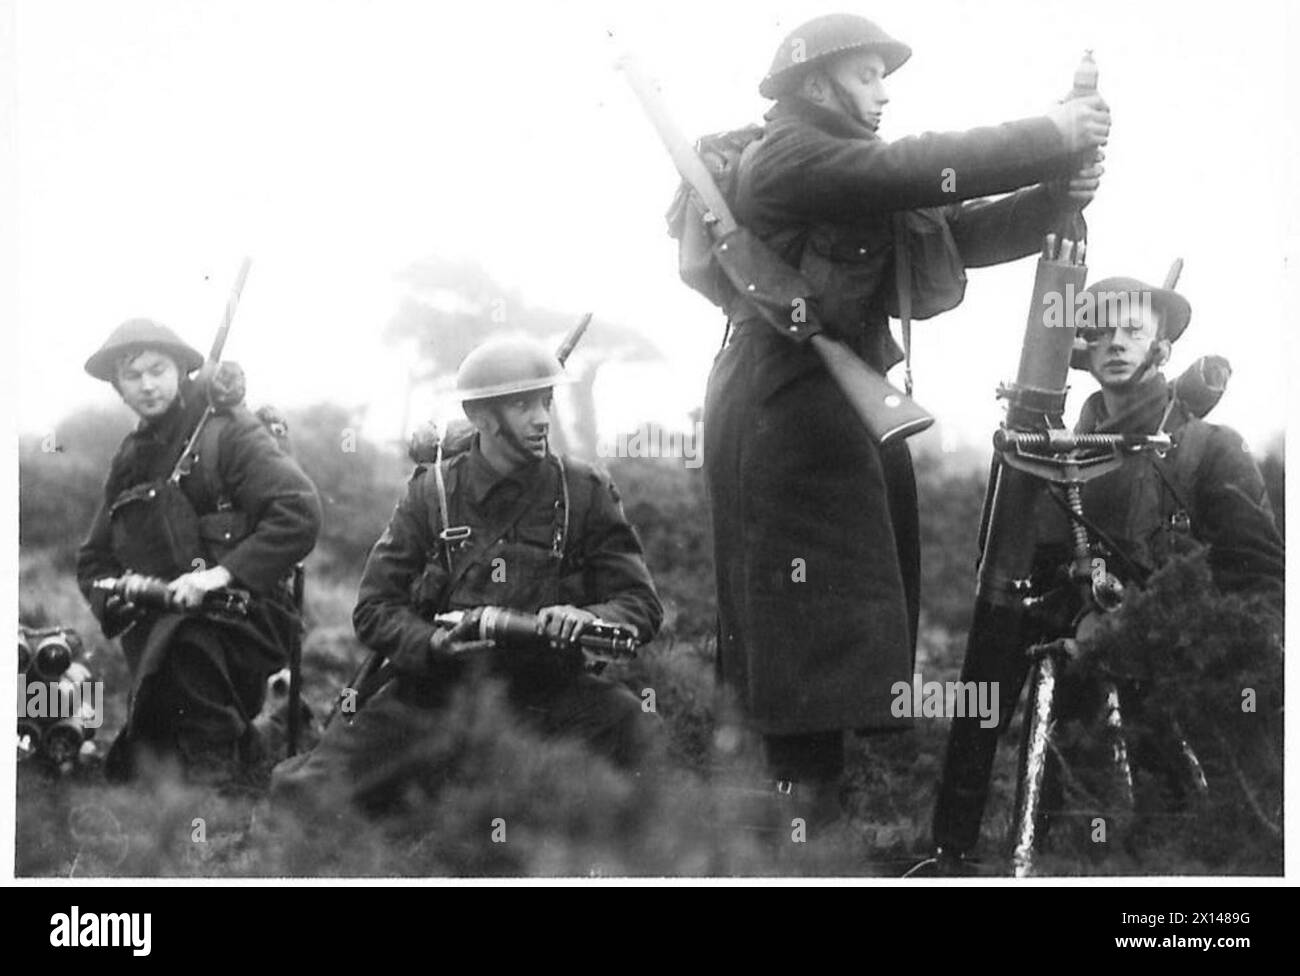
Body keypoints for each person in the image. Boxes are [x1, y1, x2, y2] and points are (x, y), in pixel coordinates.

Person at [704, 12, 1110, 815]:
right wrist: (1052, 131)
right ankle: (790, 832)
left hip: (841, 404)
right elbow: (922, 169)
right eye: (866, 75)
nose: (883, 92)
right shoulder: (789, 155)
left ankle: (811, 819)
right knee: (797, 625)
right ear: (815, 84)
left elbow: (952, 230)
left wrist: (1053, 193)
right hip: (779, 409)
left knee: (846, 617)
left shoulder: (851, 168)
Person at [929, 276, 1285, 868]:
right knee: (1069, 856)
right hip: (1076, 712)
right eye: (1100, 331)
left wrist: (1166, 636)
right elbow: (1027, 589)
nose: (1116, 342)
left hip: (1190, 709)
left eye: (1133, 329)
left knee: (1190, 860)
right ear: (1084, 351)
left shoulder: (1211, 449)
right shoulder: (1049, 454)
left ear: (1161, 349)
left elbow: (1259, 590)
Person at [272, 335, 663, 814]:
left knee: (631, 728)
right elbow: (375, 609)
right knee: (306, 802)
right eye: (523, 406)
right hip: (435, 695)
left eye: (546, 401)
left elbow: (639, 603)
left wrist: (584, 617)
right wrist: (432, 644)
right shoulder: (432, 495)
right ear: (480, 417)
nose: (543, 418)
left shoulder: (584, 491)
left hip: (546, 694)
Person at [76, 318, 322, 786]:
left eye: (158, 369)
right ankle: (270, 735)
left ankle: (218, 806)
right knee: (138, 769)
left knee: (189, 664)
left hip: (248, 615)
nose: (148, 385)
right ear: (117, 388)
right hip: (159, 630)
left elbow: (299, 511)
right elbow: (93, 560)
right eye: (133, 376)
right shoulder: (129, 460)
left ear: (182, 370)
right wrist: (123, 593)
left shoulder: (227, 433)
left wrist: (219, 576)